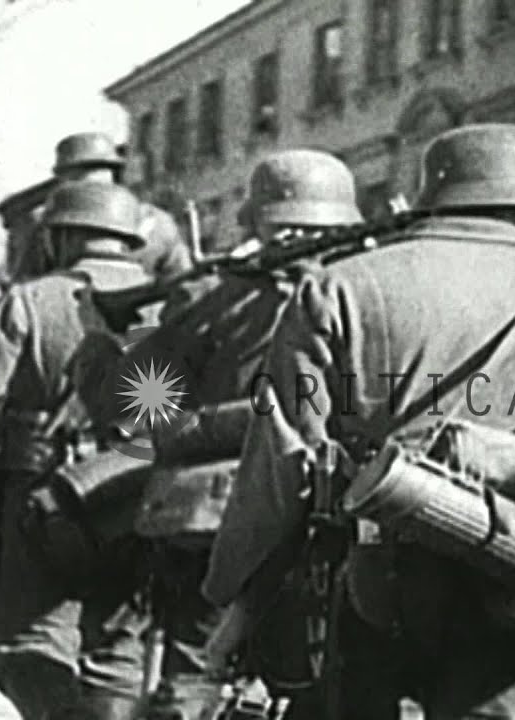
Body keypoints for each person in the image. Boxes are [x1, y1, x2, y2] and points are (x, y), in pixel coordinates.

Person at [201, 123, 515, 719]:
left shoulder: (336, 290)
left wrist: (241, 609)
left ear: (432, 200)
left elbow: (284, 467)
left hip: (372, 583)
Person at [73, 148, 367, 717]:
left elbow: (145, 412)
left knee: (197, 670)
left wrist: (105, 346)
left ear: (256, 222)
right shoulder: (367, 288)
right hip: (340, 513)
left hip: (222, 516)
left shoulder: (213, 296)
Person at [0, 182, 160, 719]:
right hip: (138, 485)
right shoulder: (170, 301)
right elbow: (170, 408)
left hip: (43, 490)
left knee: (26, 642)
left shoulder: (30, 300)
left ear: (61, 236)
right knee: (117, 645)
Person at [53, 131, 192, 280]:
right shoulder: (160, 223)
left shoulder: (158, 224)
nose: (91, 179)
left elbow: (183, 280)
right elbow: (183, 282)